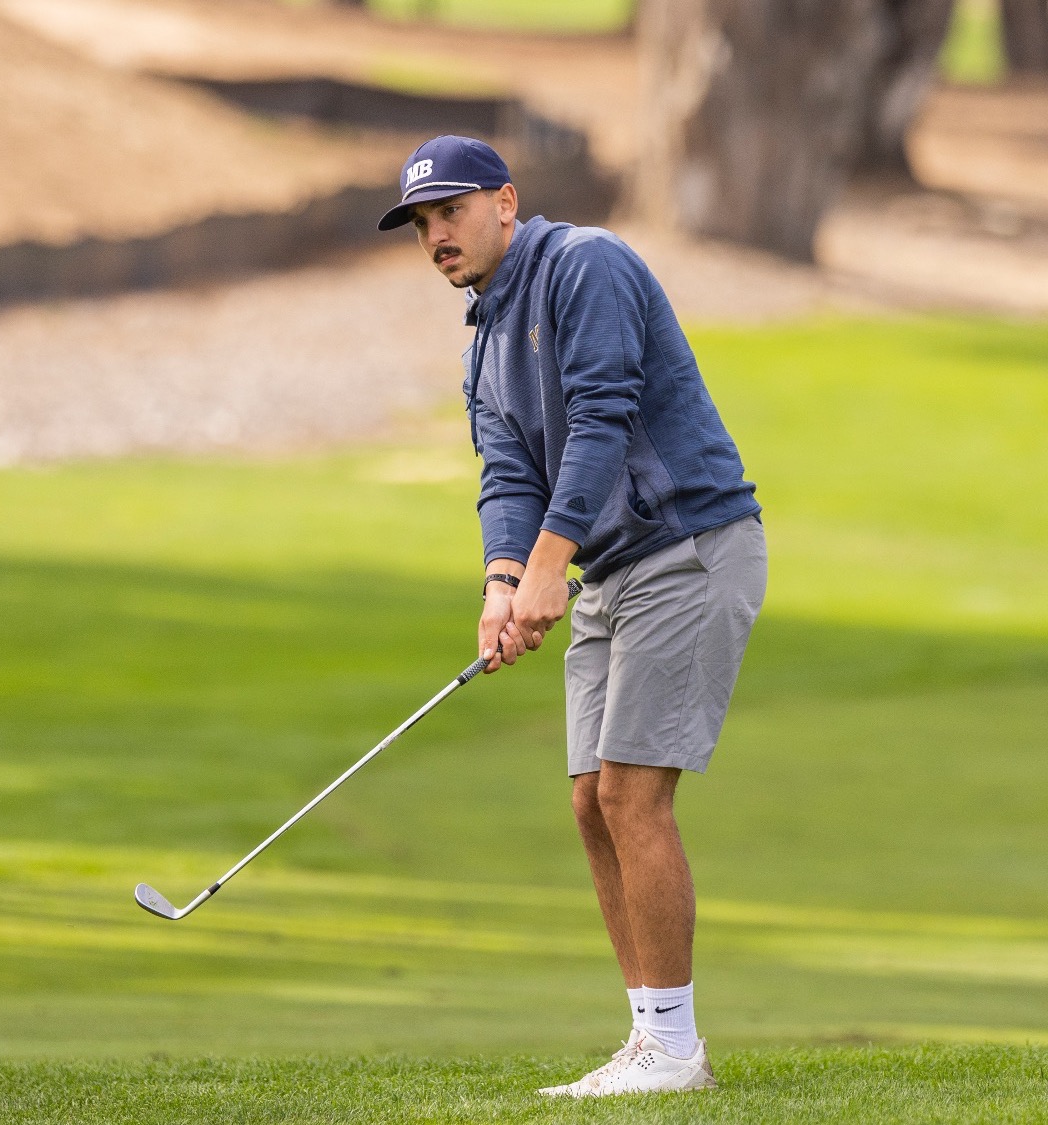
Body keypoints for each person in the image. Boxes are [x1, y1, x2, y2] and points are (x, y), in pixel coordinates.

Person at [377, 135, 767, 1097]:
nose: (438, 236)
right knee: (591, 797)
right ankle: (651, 1038)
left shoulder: (585, 265)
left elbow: (601, 416)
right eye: (423, 224)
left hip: (689, 546)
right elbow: (508, 470)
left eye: (452, 212)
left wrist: (552, 563)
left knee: (634, 792)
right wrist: (502, 582)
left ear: (506, 201)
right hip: (613, 569)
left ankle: (676, 1050)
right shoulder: (486, 335)